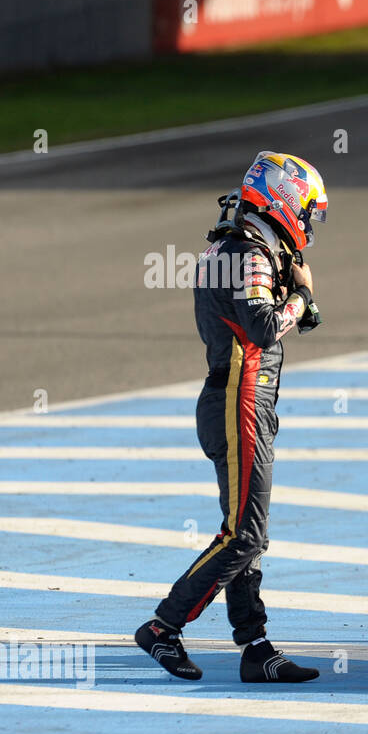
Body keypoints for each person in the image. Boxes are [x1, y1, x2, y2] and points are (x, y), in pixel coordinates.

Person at [136, 152, 328, 682]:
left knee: (249, 532)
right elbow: (265, 326)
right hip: (238, 404)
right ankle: (163, 627)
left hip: (238, 401)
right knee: (243, 535)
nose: (310, 223)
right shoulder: (249, 254)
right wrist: (305, 293)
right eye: (308, 210)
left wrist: (294, 296)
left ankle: (255, 647)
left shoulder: (233, 246)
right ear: (285, 201)